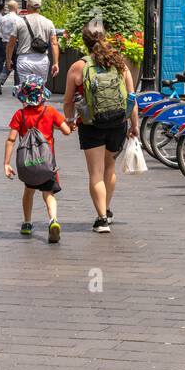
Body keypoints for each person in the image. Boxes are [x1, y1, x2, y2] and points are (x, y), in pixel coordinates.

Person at [62, 22, 139, 235]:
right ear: (104, 38)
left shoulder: (78, 67)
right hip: (117, 122)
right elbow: (132, 97)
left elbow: (68, 100)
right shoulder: (119, 63)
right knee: (109, 169)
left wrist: (69, 120)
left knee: (95, 174)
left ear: (84, 43)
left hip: (91, 124)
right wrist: (134, 125)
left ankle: (102, 218)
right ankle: (106, 209)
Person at [4, 79, 72, 244]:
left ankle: (27, 223)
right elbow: (67, 131)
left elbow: (11, 139)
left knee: (29, 191)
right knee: (48, 194)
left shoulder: (20, 115)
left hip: (28, 164)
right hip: (47, 163)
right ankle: (53, 220)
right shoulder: (50, 112)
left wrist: (6, 163)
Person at [6, 0, 60, 92]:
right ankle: (39, 107)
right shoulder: (48, 22)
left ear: (28, 6)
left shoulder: (19, 22)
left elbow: (11, 44)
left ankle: (26, 107)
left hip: (24, 59)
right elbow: (54, 43)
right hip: (41, 59)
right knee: (40, 90)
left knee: (25, 91)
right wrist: (55, 63)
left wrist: (9, 59)